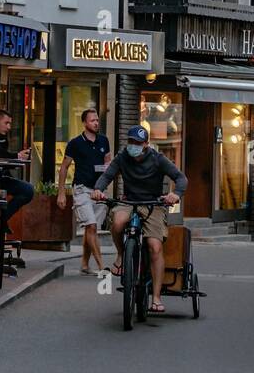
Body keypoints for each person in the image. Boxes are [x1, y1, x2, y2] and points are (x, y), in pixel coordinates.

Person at [91, 125, 187, 315]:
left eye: (138, 143)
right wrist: (98, 189)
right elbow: (107, 175)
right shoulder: (122, 157)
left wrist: (176, 194)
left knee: (154, 246)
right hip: (129, 201)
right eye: (131, 142)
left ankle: (156, 298)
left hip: (153, 203)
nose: (133, 145)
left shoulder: (158, 159)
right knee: (118, 222)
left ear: (146, 144)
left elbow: (180, 178)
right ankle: (121, 254)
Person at [57, 108, 112, 276]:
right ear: (84, 123)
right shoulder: (75, 143)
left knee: (91, 229)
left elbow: (109, 162)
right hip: (81, 189)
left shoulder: (104, 140)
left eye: (97, 120)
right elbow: (64, 167)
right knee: (92, 226)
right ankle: (102, 266)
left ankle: (84, 264)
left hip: (99, 190)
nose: (96, 123)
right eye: (92, 120)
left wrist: (106, 181)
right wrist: (61, 193)